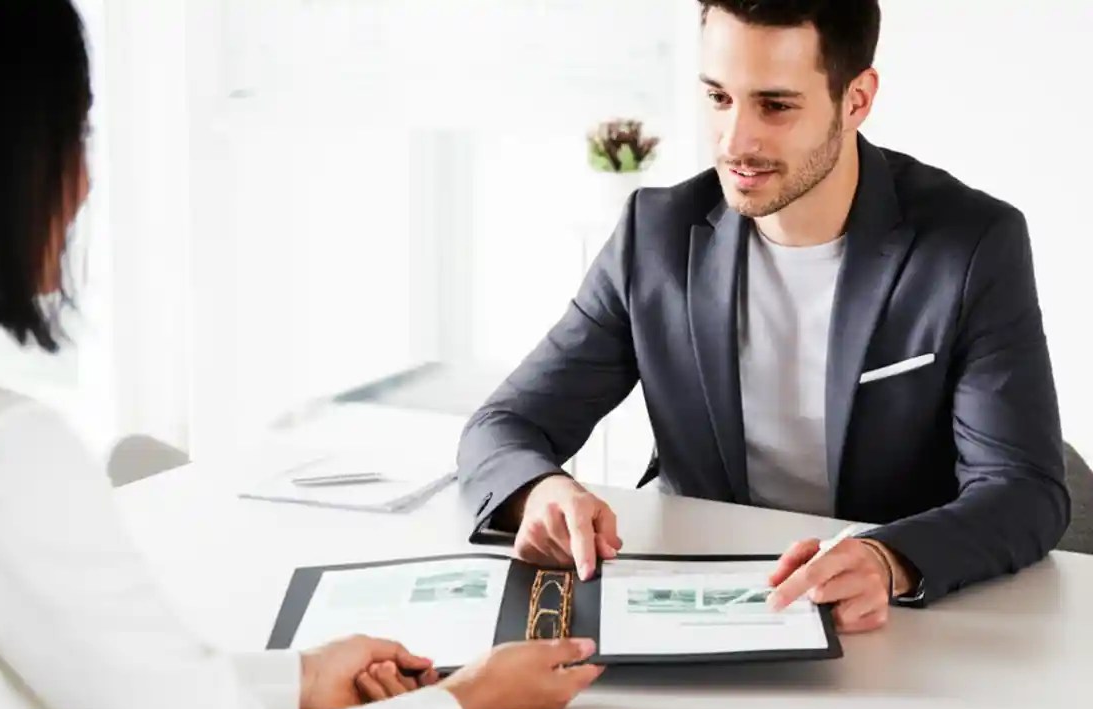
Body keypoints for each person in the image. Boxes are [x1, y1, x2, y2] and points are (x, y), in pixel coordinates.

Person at [0, 1, 602, 709]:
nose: (86, 184)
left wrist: (293, 679)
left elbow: (128, 686)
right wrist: (463, 703)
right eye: (76, 137)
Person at [457, 0, 1069, 634]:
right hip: (696, 599)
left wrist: (890, 559)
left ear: (856, 99)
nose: (735, 142)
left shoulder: (970, 244)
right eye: (719, 98)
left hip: (890, 621)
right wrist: (541, 491)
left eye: (775, 106)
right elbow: (503, 426)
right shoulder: (656, 235)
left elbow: (1024, 489)